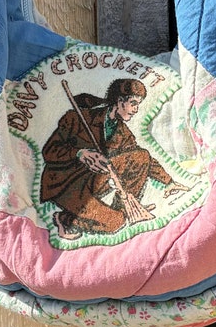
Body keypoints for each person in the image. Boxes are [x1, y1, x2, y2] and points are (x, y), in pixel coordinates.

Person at [41, 78, 187, 238]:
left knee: (140, 156)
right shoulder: (77, 118)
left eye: (138, 104)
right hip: (67, 185)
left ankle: (126, 206)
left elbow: (144, 160)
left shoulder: (122, 131)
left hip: (94, 179)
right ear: (119, 101)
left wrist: (169, 182)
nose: (136, 109)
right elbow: (49, 151)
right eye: (133, 103)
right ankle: (66, 219)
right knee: (114, 223)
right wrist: (80, 153)